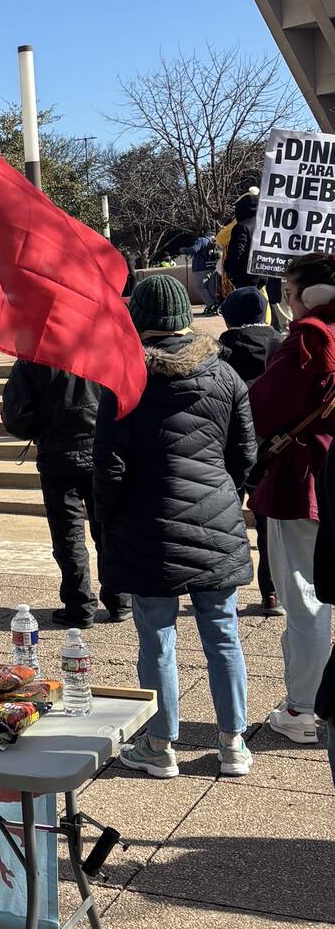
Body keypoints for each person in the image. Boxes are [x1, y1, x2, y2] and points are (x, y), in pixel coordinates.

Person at [94, 275, 256, 779]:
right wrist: (226, 497)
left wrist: (108, 521)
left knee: (157, 636)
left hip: (147, 526)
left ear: (138, 320)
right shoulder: (225, 375)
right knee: (223, 633)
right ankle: (233, 745)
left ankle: (159, 744)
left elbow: (109, 466)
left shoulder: (126, 379)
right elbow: (245, 453)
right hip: (216, 516)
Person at [248, 252, 335, 743]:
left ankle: (304, 708)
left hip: (305, 479)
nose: (285, 300)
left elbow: (262, 407)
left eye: (288, 290)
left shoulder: (309, 338)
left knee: (304, 598)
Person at [1, 358, 127, 627]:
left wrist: (42, 424)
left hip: (59, 454)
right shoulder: (101, 352)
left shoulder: (33, 359)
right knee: (108, 527)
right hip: (101, 450)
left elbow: (16, 418)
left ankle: (80, 605)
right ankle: (120, 598)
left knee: (68, 535)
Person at [218, 286, 284, 613]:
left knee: (224, 521)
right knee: (268, 525)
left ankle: (220, 591)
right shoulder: (283, 346)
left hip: (228, 450)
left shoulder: (220, 351)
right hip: (273, 448)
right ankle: (271, 593)